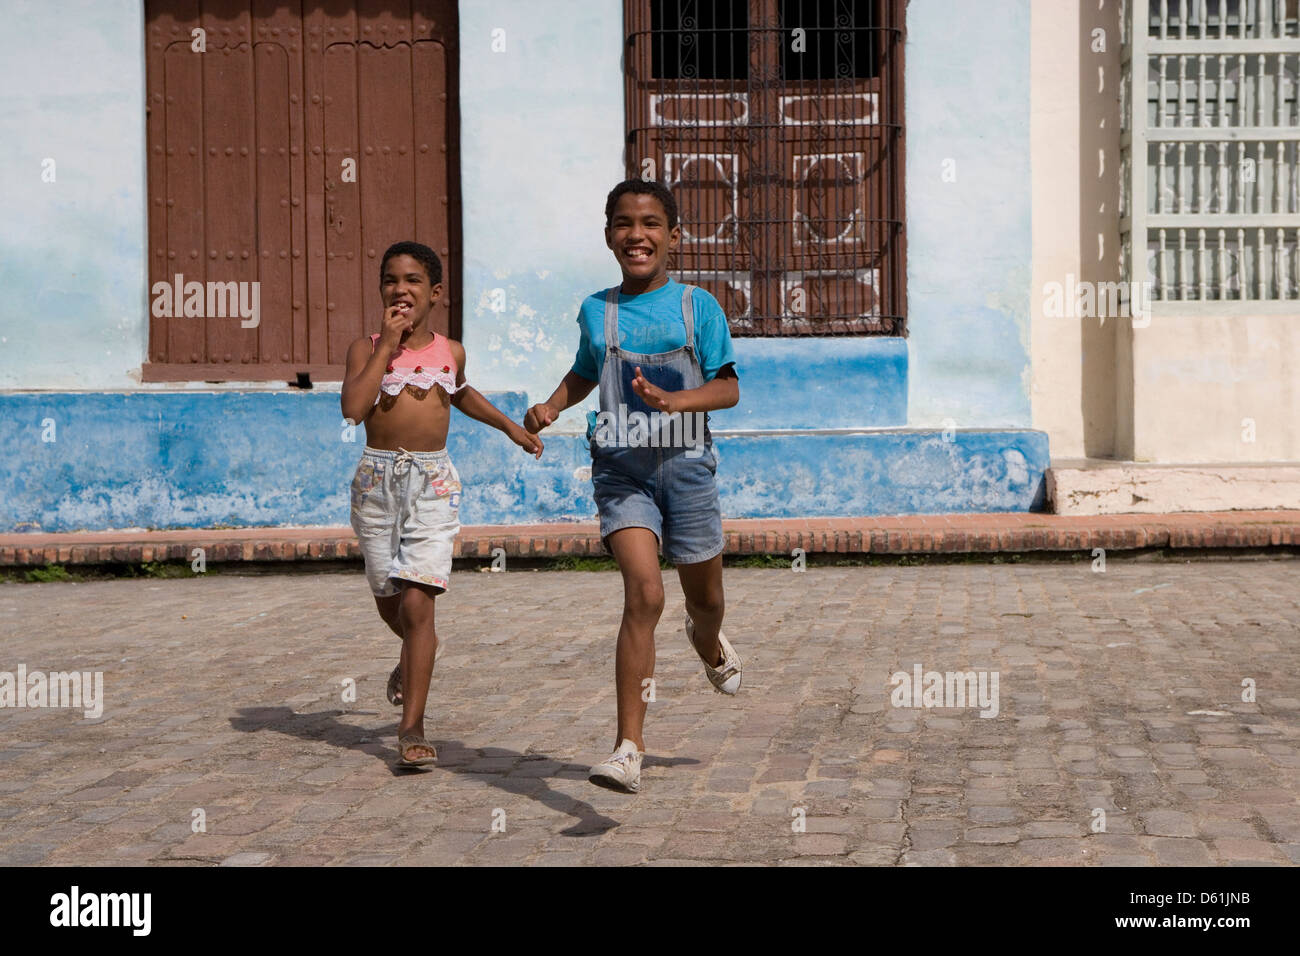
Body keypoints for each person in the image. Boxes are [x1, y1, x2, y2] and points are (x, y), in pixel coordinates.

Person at [524, 180, 742, 793]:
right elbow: (585, 370)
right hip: (623, 473)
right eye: (624, 223)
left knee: (706, 602)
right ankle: (627, 748)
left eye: (650, 224)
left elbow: (727, 387)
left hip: (688, 471)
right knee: (644, 595)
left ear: (673, 236)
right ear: (608, 236)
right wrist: (552, 405)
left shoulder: (697, 307)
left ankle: (708, 644)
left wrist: (675, 401)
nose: (636, 235)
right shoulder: (598, 310)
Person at [341, 241, 541, 768]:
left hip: (433, 483)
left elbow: (462, 393)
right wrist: (387, 345)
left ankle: (412, 727)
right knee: (388, 596)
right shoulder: (365, 349)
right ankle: (418, 650)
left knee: (417, 603)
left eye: (411, 281)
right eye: (390, 280)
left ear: (434, 293)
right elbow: (353, 409)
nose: (399, 289)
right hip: (377, 485)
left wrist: (511, 428)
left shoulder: (451, 351)